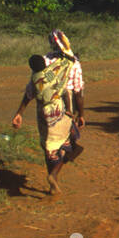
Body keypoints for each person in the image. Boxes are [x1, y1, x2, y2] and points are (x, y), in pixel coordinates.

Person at [12, 38, 85, 195]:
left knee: (49, 147)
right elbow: (65, 73)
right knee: (70, 144)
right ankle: (53, 175)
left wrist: (19, 113)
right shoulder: (51, 74)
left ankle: (53, 183)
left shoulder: (36, 78)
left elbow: (28, 94)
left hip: (42, 114)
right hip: (57, 110)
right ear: (45, 65)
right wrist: (78, 113)